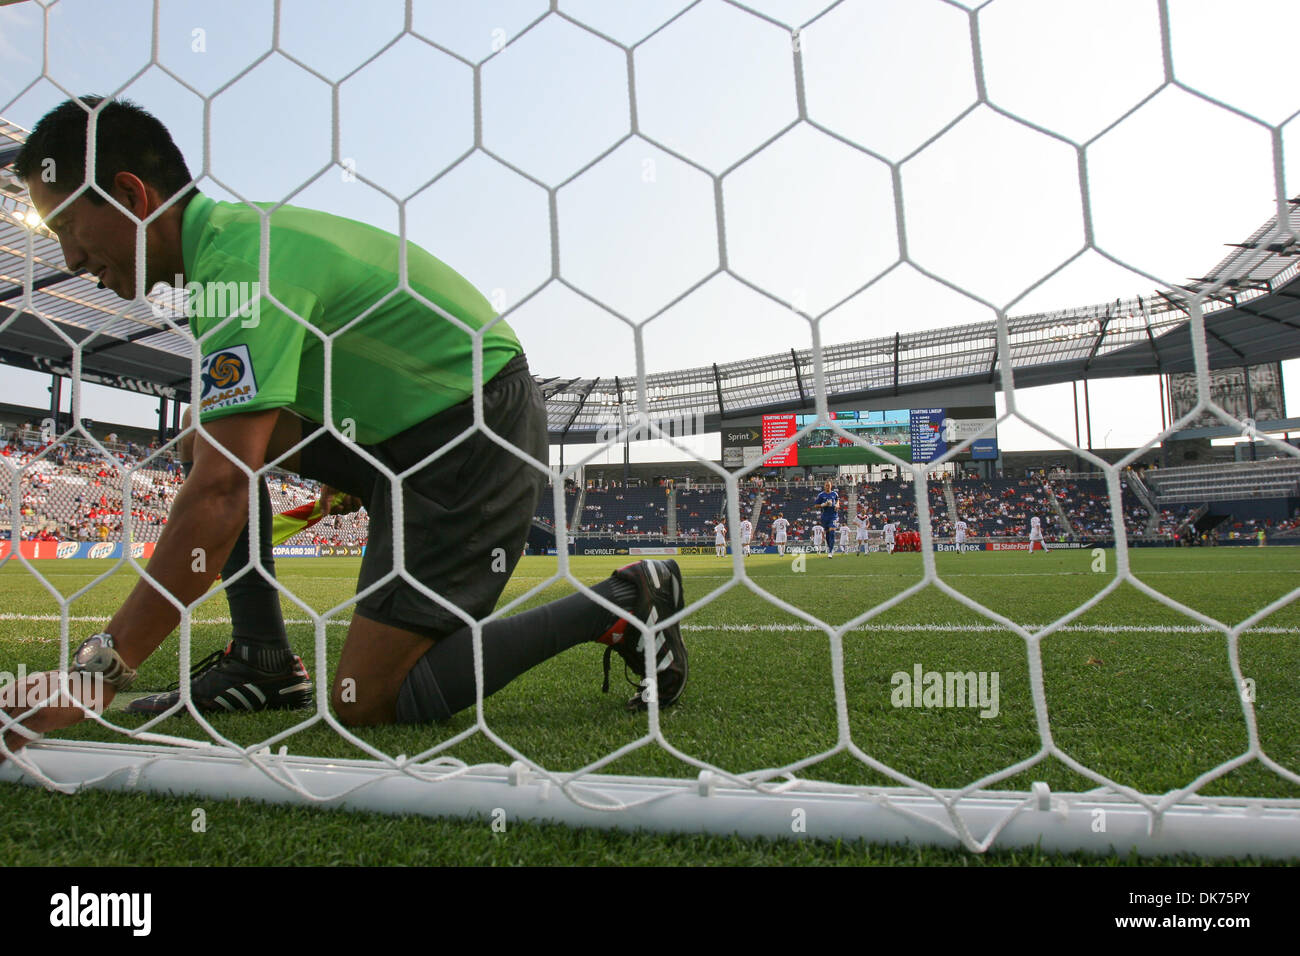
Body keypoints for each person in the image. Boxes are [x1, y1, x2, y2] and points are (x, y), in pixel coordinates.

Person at [2, 96, 688, 758]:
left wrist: (99, 672)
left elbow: (218, 495)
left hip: (471, 432)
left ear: (130, 193)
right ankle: (262, 659)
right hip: (402, 434)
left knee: (369, 700)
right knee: (206, 434)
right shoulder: (228, 254)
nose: (68, 260)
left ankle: (626, 599)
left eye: (65, 227)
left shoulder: (242, 268)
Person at [814, 480, 839, 559]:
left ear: (831, 486)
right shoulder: (821, 495)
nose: (827, 486)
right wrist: (824, 504)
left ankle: (830, 552)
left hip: (833, 516)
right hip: (825, 516)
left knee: (832, 532)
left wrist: (837, 505)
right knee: (827, 534)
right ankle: (829, 548)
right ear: (824, 486)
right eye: (826, 485)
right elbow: (816, 505)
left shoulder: (834, 494)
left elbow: (838, 501)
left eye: (829, 485)